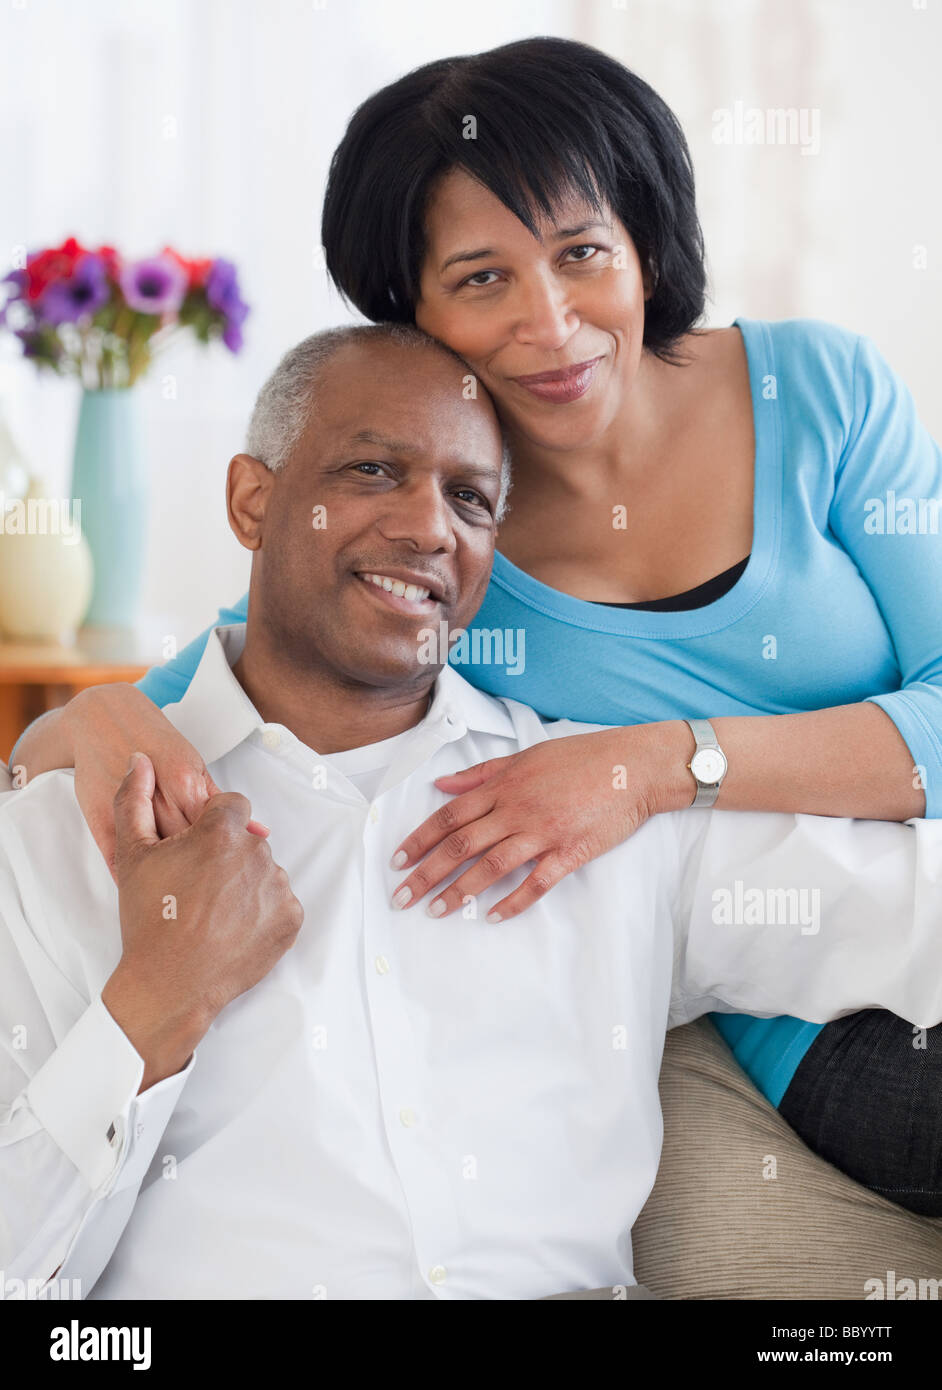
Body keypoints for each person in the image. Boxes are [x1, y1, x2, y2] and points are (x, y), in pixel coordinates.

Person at [12, 37, 942, 1210]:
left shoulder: (817, 392)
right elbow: (179, 705)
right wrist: (86, 716)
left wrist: (657, 763)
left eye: (581, 253)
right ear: (416, 311)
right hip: (830, 1018)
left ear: (646, 241)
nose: (549, 323)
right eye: (481, 278)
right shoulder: (435, 549)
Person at [3, 325, 942, 1301]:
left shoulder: (601, 808)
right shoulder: (64, 838)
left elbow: (911, 915)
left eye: (471, 498)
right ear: (253, 499)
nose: (429, 526)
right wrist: (154, 1007)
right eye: (373, 469)